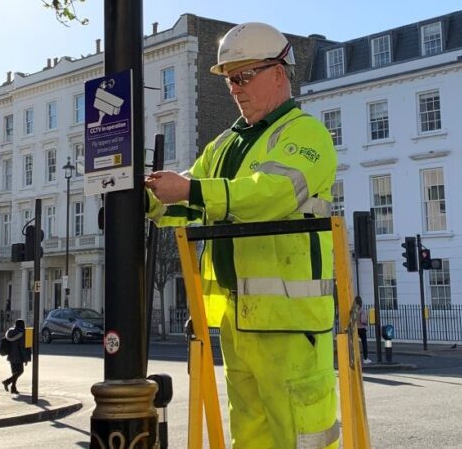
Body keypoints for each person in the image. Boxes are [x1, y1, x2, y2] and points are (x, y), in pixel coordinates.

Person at [145, 22, 339, 449]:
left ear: (278, 73)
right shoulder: (224, 145)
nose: (234, 88)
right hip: (240, 320)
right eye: (230, 79)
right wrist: (142, 199)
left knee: (300, 436)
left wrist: (190, 190)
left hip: (291, 323)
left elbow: (271, 194)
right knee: (249, 435)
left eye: (244, 76)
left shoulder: (305, 133)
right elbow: (190, 200)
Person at [1, 319, 28, 394]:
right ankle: (7, 382)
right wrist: (26, 359)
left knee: (15, 373)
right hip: (18, 356)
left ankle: (13, 388)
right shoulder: (21, 333)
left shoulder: (10, 332)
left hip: (11, 355)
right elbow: (22, 348)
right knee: (20, 371)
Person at [354, 296, 371, 364]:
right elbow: (363, 320)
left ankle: (355, 358)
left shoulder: (354, 311)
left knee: (355, 344)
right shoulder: (361, 311)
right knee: (364, 344)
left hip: (356, 329)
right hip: (362, 329)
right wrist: (366, 321)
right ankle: (365, 358)